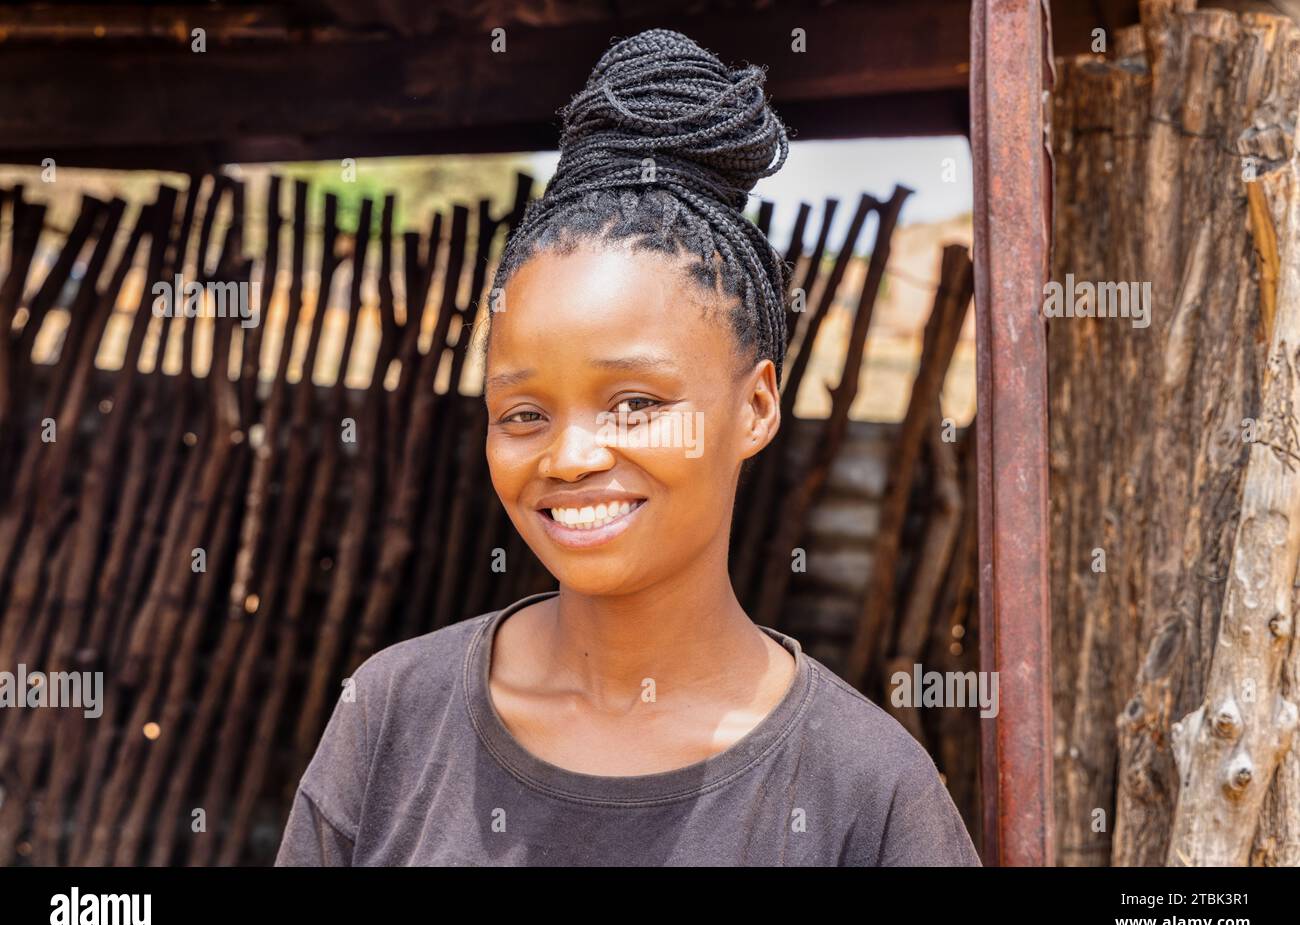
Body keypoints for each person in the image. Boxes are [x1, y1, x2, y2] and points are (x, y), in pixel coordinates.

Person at [276, 27, 981, 867]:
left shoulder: (866, 793)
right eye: (523, 412)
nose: (570, 456)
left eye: (635, 402)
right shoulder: (392, 717)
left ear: (756, 406)